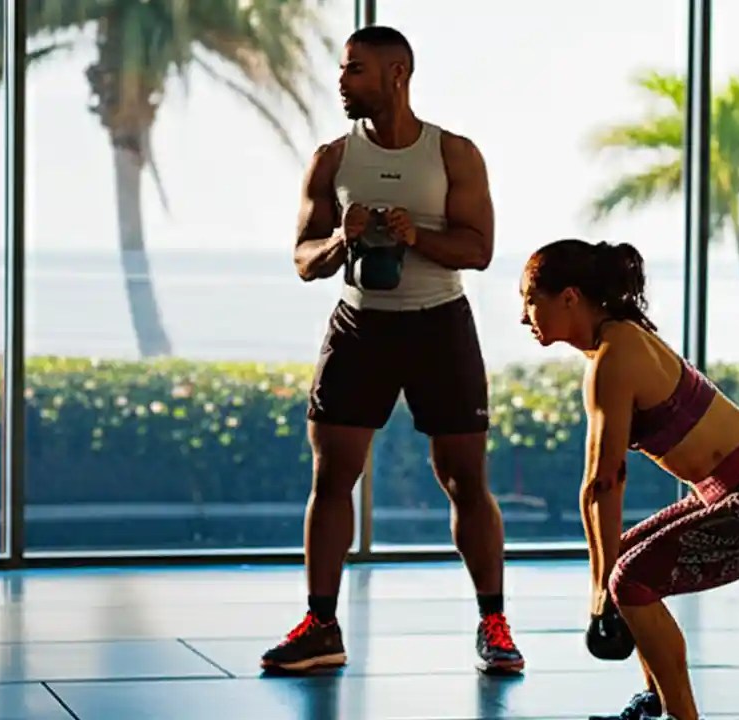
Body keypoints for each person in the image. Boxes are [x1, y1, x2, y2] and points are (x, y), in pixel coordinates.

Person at [261, 25, 525, 675]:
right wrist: (341, 242)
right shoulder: (331, 159)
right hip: (360, 327)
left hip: (440, 325)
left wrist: (415, 237)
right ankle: (321, 627)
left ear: (397, 73)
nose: (343, 82)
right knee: (331, 480)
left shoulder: (454, 154)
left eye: (355, 70)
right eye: (344, 70)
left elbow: (479, 250)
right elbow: (303, 259)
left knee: (465, 479)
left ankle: (494, 623)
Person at [518, 239, 739, 720]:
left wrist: (600, 591)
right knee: (630, 564)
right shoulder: (616, 341)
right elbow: (602, 486)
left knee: (630, 578)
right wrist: (604, 581)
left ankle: (682, 717)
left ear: (569, 297)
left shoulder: (615, 356)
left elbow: (603, 482)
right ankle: (656, 703)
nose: (523, 316)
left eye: (530, 300)